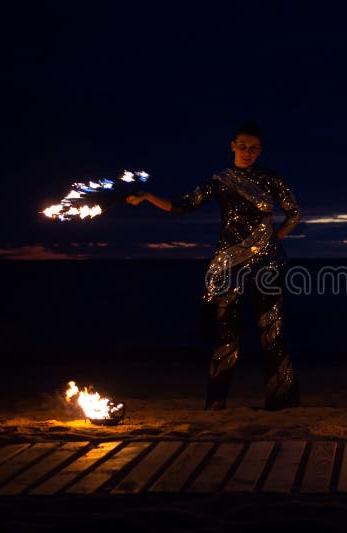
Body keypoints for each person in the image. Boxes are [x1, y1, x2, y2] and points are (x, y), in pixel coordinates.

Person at [126, 121, 301, 411]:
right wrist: (146, 197)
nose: (247, 152)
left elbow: (294, 214)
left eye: (253, 148)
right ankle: (217, 403)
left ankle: (280, 401)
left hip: (267, 268)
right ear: (232, 146)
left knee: (272, 333)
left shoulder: (271, 179)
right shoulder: (220, 180)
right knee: (226, 337)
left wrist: (269, 241)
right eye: (242, 146)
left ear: (260, 151)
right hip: (228, 268)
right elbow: (182, 206)